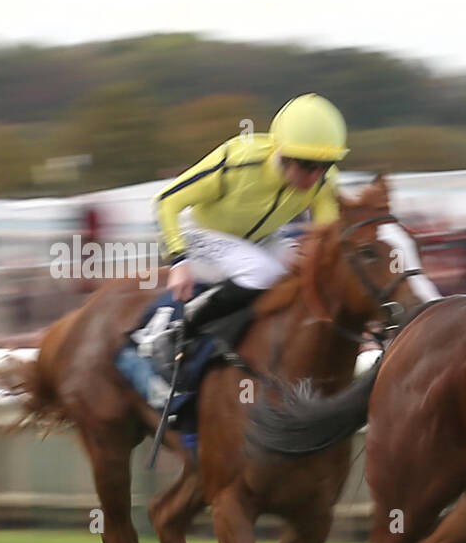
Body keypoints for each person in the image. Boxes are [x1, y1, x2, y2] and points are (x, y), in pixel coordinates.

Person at [146, 93, 349, 373]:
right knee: (261, 271)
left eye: (325, 166)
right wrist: (178, 261)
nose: (316, 176)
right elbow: (166, 201)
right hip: (201, 236)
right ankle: (180, 330)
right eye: (306, 165)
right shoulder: (238, 160)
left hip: (259, 241)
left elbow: (329, 237)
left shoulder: (324, 182)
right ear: (282, 154)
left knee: (304, 269)